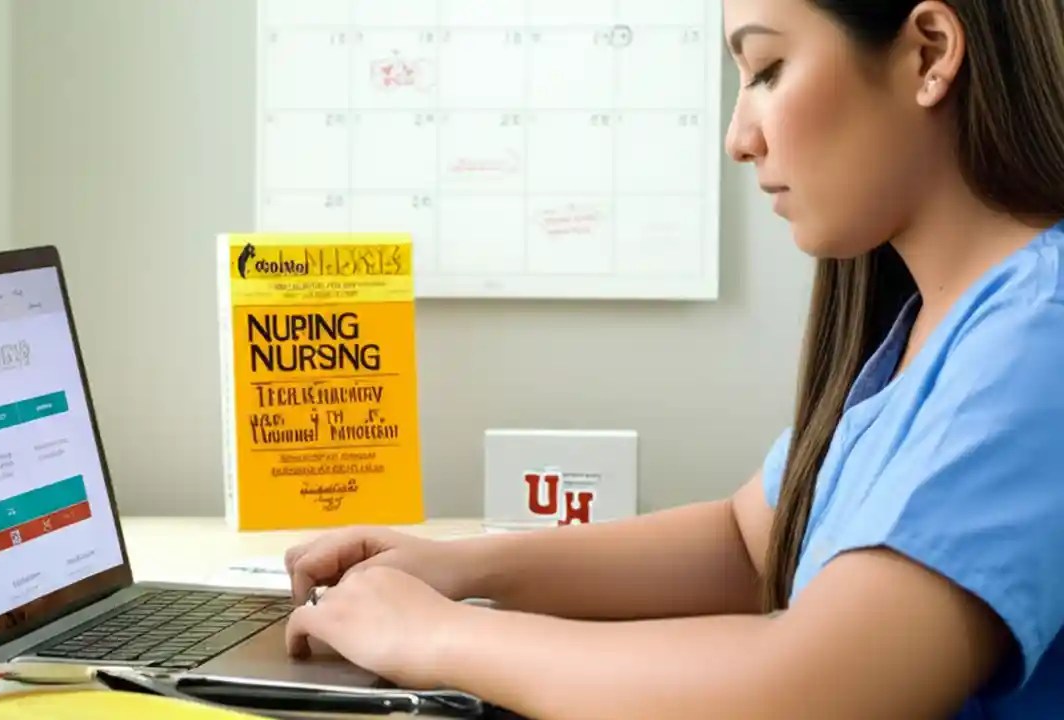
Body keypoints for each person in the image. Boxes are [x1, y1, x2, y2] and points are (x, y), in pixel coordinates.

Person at [280, 1, 1064, 717]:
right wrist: (461, 568)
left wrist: (436, 638)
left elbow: (819, 687)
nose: (738, 137)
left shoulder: (1039, 339)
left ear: (930, 53)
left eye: (767, 71)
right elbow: (746, 540)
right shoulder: (933, 331)